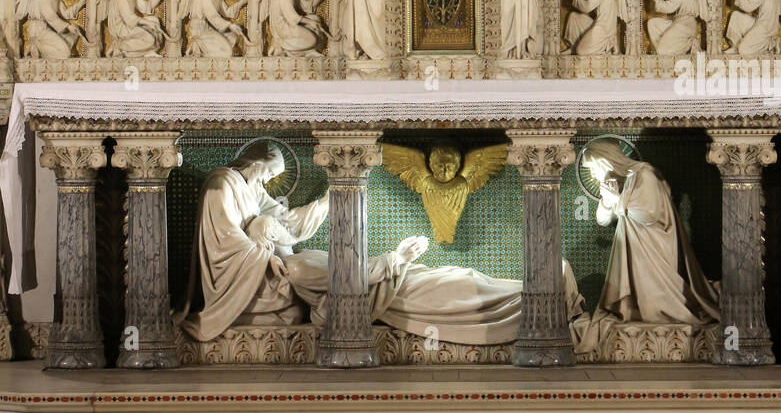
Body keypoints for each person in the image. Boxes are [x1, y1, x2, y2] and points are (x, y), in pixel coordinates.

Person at [179, 140, 585, 346]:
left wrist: (330, 199)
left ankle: (540, 297)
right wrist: (394, 259)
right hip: (398, 291)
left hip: (395, 281)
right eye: (269, 174)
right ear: (255, 162)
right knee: (460, 290)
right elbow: (229, 247)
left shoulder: (262, 209)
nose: (268, 182)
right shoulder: (230, 193)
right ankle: (541, 301)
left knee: (460, 278)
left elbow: (287, 225)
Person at [573, 139, 718, 353]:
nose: (592, 175)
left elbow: (648, 214)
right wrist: (607, 200)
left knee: (655, 306)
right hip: (635, 250)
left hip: (655, 248)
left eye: (593, 168)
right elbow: (602, 219)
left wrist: (618, 201)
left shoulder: (645, 175)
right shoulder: (616, 182)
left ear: (606, 161)